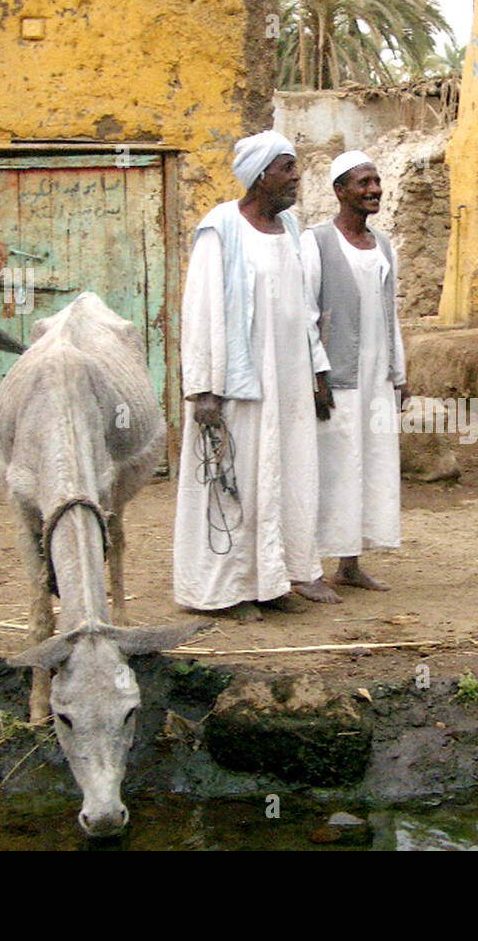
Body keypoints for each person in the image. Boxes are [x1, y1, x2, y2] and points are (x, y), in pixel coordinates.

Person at [173, 130, 341, 619]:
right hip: (237, 385)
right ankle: (226, 593)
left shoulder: (290, 229)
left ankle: (273, 581)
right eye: (287, 167)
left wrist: (318, 372)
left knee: (285, 475)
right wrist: (203, 388)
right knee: (234, 482)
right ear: (261, 175)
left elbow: (303, 310)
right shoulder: (220, 227)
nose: (296, 177)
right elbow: (200, 310)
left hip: (286, 383)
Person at [300, 151, 410, 591]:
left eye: (377, 181)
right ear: (340, 191)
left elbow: (391, 313)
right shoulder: (317, 242)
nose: (373, 190)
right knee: (331, 466)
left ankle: (349, 564)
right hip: (337, 375)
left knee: (369, 462)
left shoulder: (383, 245)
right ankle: (307, 567)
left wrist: (398, 372)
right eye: (362, 183)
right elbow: (306, 314)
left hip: (375, 375)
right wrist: (317, 376)